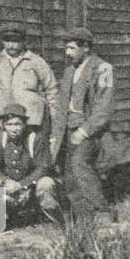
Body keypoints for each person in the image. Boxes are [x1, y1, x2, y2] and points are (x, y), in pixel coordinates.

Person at [49, 27, 115, 220]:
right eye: (66, 48)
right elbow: (62, 106)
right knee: (68, 171)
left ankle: (102, 211)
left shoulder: (103, 69)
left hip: (90, 131)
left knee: (80, 164)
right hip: (66, 129)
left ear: (85, 47)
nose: (67, 53)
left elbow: (104, 107)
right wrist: (56, 134)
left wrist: (84, 131)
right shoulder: (70, 71)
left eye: (71, 48)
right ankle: (82, 217)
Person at [0, 103, 61, 225]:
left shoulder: (36, 138)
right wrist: (5, 181)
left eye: (17, 124)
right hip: (7, 186)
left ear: (24, 124)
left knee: (46, 183)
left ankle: (50, 220)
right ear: (4, 125)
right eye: (9, 124)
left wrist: (22, 184)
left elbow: (43, 167)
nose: (14, 129)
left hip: (30, 187)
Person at [0, 27, 58, 139]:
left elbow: (52, 90)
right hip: (7, 120)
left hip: (32, 121)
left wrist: (54, 123)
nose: (11, 45)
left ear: (24, 42)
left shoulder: (36, 61)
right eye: (7, 40)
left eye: (15, 41)